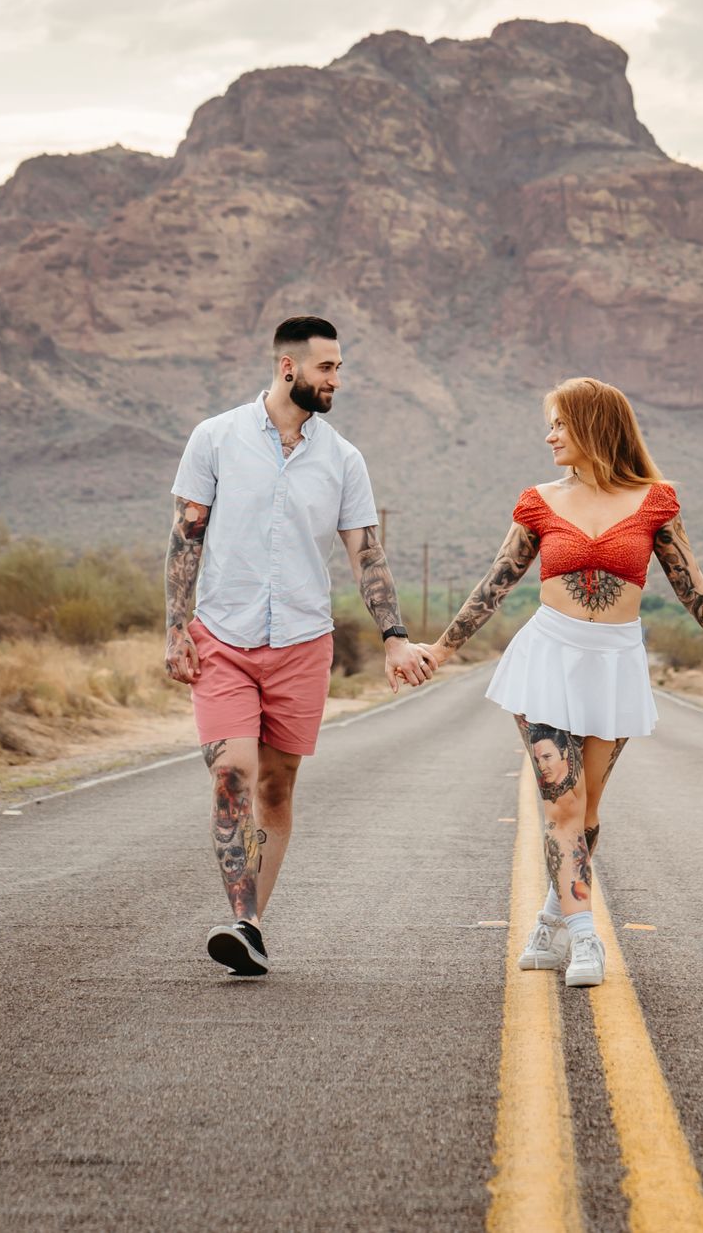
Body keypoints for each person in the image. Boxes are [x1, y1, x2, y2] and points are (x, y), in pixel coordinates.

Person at [425, 377, 703, 987]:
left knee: (587, 813)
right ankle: (587, 939)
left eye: (559, 422)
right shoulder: (539, 502)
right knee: (562, 806)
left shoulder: (654, 501)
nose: (549, 434)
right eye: (550, 423)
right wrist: (442, 649)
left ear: (592, 426)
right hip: (548, 658)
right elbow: (495, 583)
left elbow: (692, 585)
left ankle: (552, 918)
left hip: (615, 663)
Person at [165, 316, 434, 976]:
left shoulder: (343, 459)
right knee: (232, 775)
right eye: (328, 368)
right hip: (221, 638)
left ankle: (248, 924)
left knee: (277, 790)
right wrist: (175, 626)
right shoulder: (216, 438)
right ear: (289, 368)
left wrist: (395, 636)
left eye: (338, 367)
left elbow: (366, 553)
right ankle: (241, 916)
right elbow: (185, 537)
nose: (337, 379)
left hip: (302, 644)